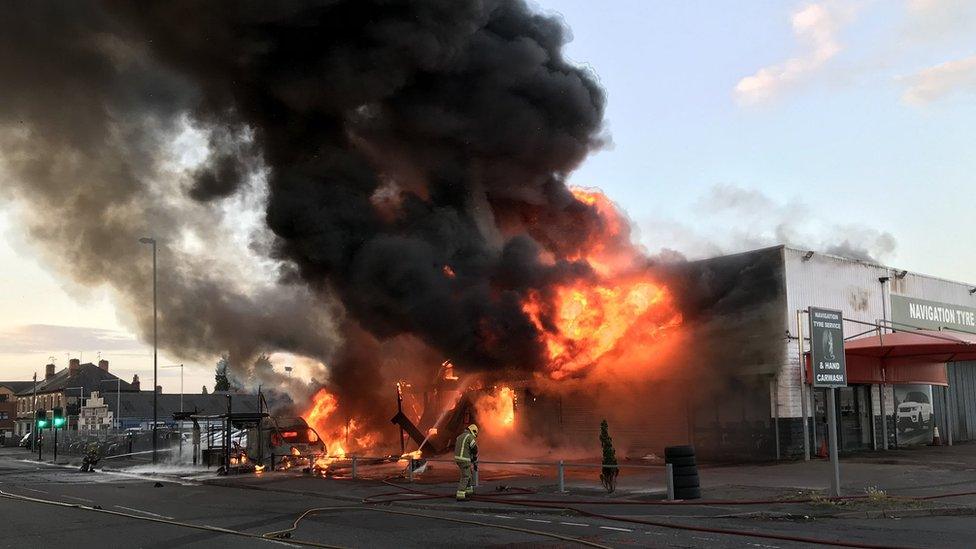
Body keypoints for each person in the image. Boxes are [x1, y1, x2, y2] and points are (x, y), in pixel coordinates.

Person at [454, 424, 478, 501]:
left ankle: (468, 491)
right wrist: (474, 456)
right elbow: (474, 448)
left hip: (459, 459)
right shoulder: (469, 436)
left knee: (469, 473)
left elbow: (464, 448)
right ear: (473, 431)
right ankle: (460, 495)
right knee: (466, 476)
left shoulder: (460, 436)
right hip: (464, 459)